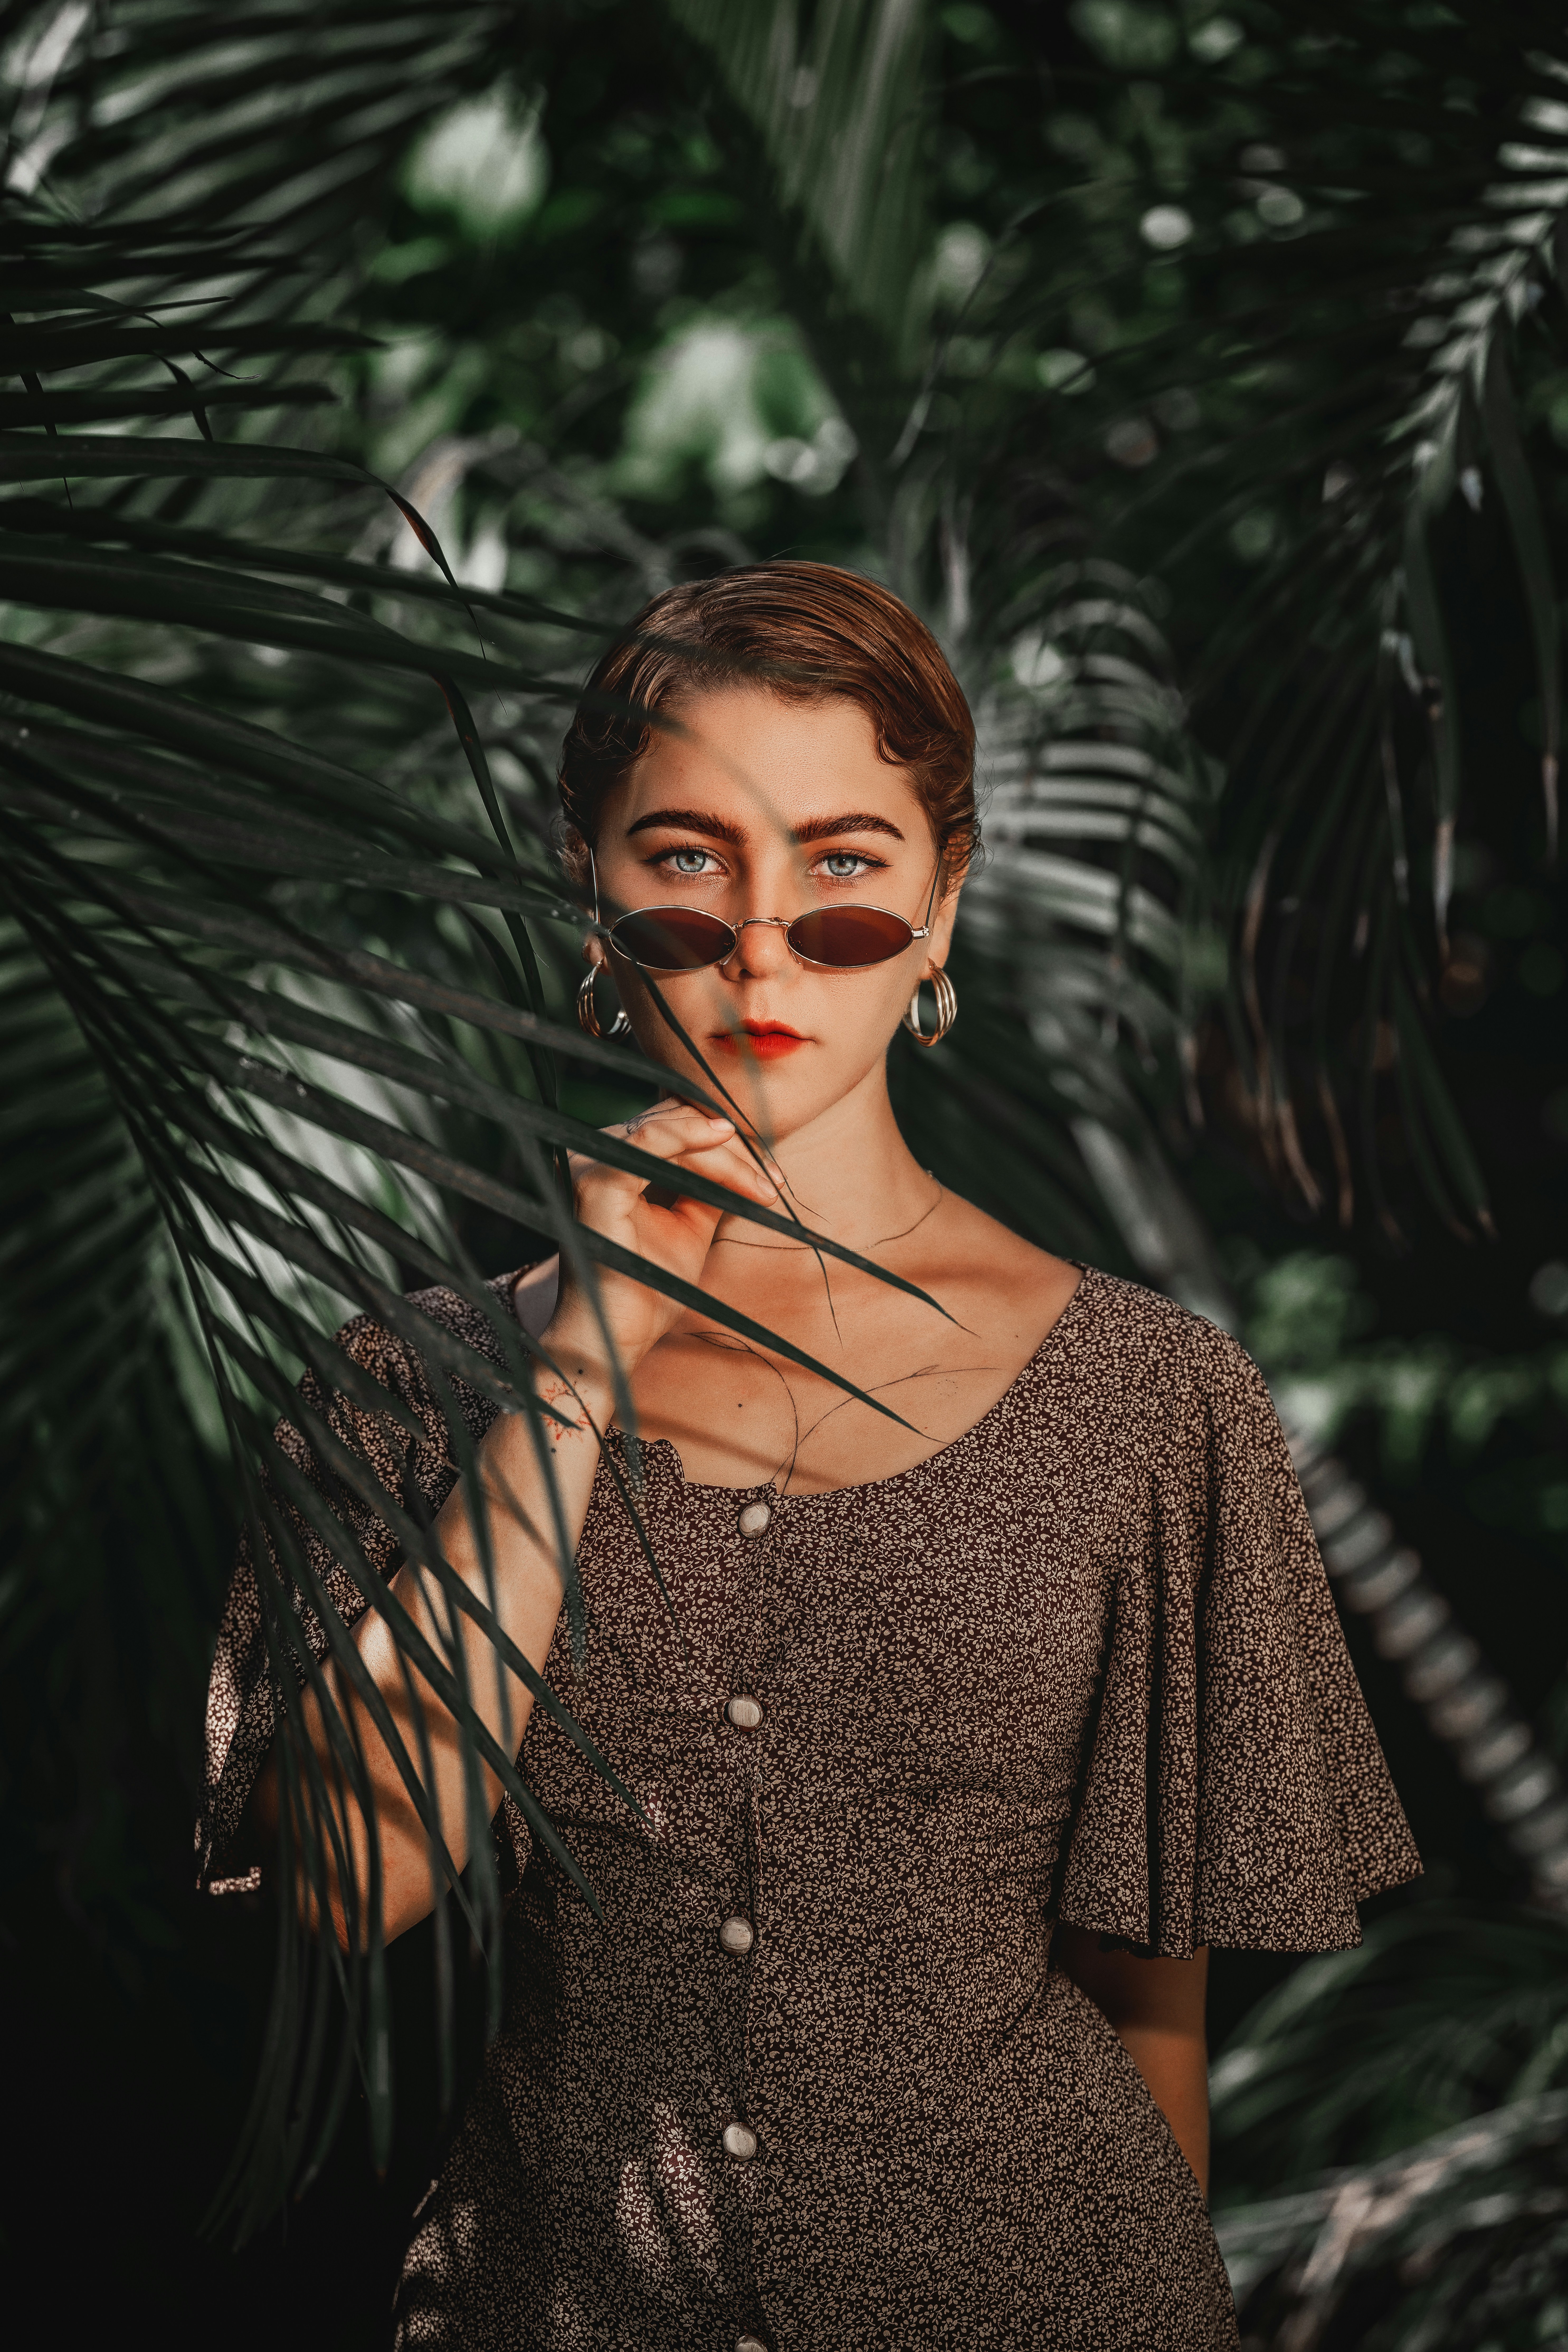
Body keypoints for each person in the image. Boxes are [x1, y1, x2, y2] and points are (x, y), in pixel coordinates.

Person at [199, 562, 1420, 2350]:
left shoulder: (1155, 1401)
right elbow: (346, 1879)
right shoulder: (412, 1384)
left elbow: (1147, 2009)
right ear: (589, 891)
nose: (763, 938)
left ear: (942, 903)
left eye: (842, 861)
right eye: (686, 857)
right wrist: (583, 1358)